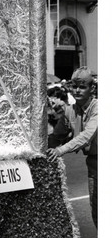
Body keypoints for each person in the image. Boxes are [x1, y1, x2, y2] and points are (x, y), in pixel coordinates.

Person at [47, 67, 98, 227]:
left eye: (82, 87)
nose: (77, 90)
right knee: (97, 213)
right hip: (94, 166)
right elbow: (56, 136)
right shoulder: (70, 111)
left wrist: (60, 151)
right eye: (74, 86)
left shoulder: (99, 108)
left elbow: (87, 136)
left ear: (92, 89)